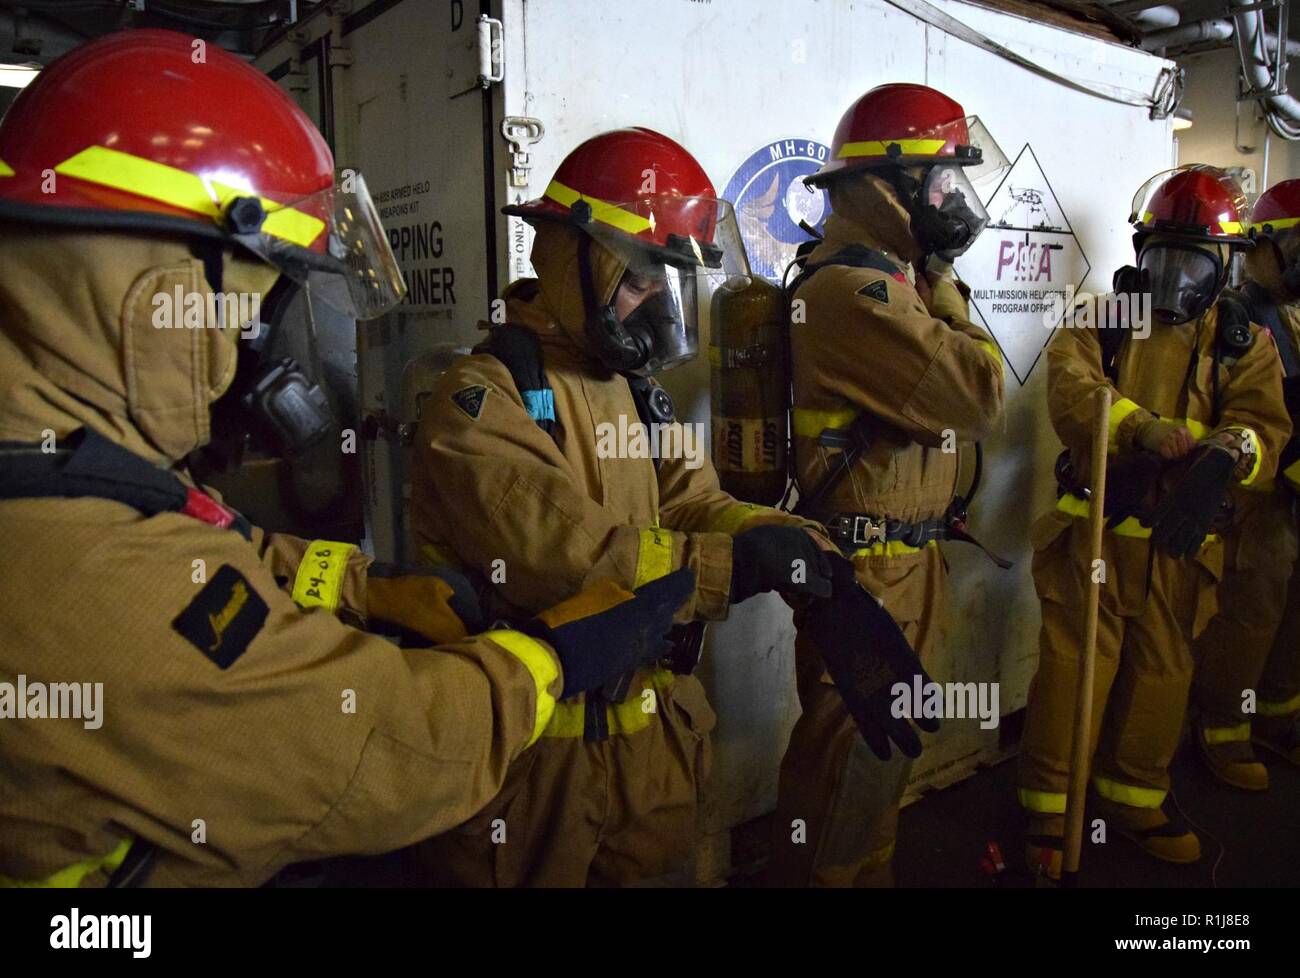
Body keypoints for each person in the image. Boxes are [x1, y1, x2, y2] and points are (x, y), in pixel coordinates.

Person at [0, 29, 690, 888]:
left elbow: (214, 543)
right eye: (262, 308)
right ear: (164, 294)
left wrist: (364, 585)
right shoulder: (84, 560)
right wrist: (550, 659)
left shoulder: (64, 460)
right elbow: (379, 750)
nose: (262, 352)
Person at [408, 126, 838, 886]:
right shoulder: (480, 398)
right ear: (577, 261)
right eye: (642, 281)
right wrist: (728, 568)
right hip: (537, 766)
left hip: (654, 744)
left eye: (670, 286)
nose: (659, 313)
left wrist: (784, 536)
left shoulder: (637, 391)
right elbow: (570, 558)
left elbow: (692, 501)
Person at [1017, 165, 1289, 878]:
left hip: (1181, 542)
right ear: (1138, 255)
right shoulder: (1100, 320)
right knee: (1074, 671)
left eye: (1191, 261)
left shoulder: (1242, 341)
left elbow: (1264, 423)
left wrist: (1229, 455)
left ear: (1223, 265)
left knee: (1164, 673)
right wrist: (1140, 428)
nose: (1173, 278)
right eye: (1160, 257)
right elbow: (1074, 393)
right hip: (1097, 536)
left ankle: (1137, 796)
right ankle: (1049, 810)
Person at [770, 83, 1006, 887]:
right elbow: (977, 395)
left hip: (907, 564)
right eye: (938, 183)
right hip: (869, 577)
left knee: (877, 769)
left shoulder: (886, 281)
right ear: (882, 188)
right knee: (845, 767)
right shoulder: (852, 293)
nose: (952, 201)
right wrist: (942, 279)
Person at [1191, 178, 1300, 786]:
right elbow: (1252, 416)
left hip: (1291, 493)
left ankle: (1277, 713)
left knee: (1291, 611)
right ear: (1265, 244)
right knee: (1250, 613)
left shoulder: (1290, 312)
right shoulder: (1236, 315)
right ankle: (1224, 727)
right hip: (1260, 498)